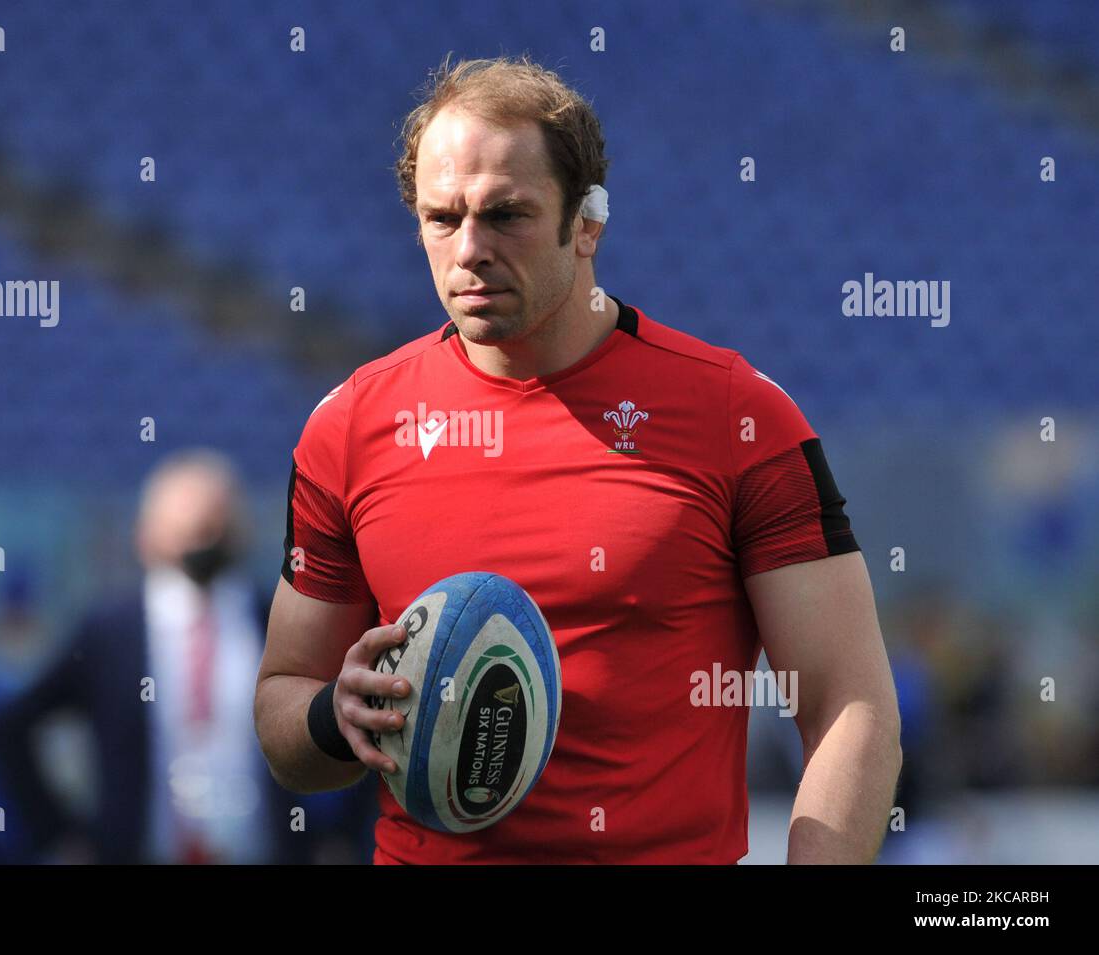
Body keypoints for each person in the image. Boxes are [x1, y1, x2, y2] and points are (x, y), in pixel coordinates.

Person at [255, 54, 901, 864]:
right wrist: (331, 718)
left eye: (506, 215)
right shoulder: (348, 426)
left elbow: (851, 705)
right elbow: (283, 705)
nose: (470, 249)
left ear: (587, 223)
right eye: (442, 218)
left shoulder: (738, 415)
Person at [0, 448, 306, 863]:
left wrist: (331, 835)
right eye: (187, 519)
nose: (204, 530)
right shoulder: (112, 631)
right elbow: (10, 728)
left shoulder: (276, 619)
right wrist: (61, 834)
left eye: (215, 517)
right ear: (146, 533)